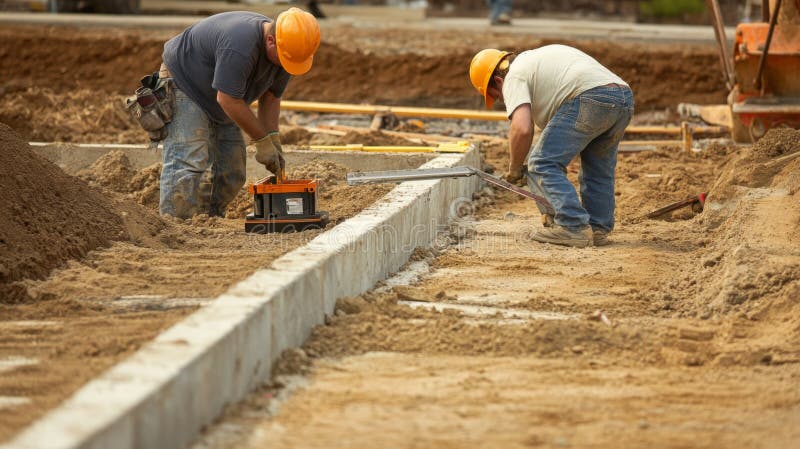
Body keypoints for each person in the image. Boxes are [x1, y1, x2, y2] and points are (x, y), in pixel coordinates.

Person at [158, 8, 320, 218]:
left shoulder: (287, 51)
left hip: (223, 93)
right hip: (186, 82)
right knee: (188, 160)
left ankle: (209, 219)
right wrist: (261, 140)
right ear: (271, 41)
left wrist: (272, 138)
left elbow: (271, 98)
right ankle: (173, 224)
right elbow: (227, 99)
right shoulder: (240, 46)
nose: (289, 67)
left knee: (232, 169)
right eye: (287, 60)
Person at [469, 45, 634, 248]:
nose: (502, 100)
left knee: (541, 163)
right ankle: (597, 228)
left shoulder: (514, 76)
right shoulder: (535, 64)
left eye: (497, 95)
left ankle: (573, 227)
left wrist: (514, 169)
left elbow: (521, 129)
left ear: (498, 81)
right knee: (598, 168)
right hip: (623, 98)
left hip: (590, 97)